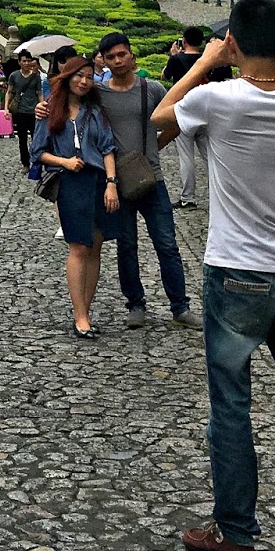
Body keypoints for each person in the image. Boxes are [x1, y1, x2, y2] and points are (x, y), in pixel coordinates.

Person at [150, 0, 275, 551]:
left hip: (235, 271)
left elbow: (156, 123)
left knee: (231, 405)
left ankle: (235, 532)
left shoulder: (215, 99)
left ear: (231, 42)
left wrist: (205, 63)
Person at [93, 32, 200, 330]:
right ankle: (135, 304)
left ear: (132, 55)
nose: (118, 61)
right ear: (104, 61)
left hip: (152, 179)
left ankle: (180, 306)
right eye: (111, 57)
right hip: (118, 183)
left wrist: (153, 148)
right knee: (126, 245)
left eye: (122, 54)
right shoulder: (99, 95)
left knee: (167, 244)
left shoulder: (150, 88)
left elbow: (176, 121)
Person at [31, 56, 119, 338]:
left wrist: (111, 183)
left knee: (95, 246)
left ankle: (85, 311)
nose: (83, 81)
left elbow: (107, 148)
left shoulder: (95, 111)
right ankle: (80, 316)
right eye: (79, 75)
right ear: (67, 77)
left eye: (89, 77)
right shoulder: (49, 111)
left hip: (98, 181)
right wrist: (64, 162)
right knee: (78, 246)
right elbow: (38, 152)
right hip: (71, 182)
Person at [161, 26, 224, 208]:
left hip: (183, 112)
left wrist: (173, 56)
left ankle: (188, 197)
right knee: (209, 156)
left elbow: (164, 76)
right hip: (205, 112)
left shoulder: (176, 59)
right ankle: (219, 193)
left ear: (184, 41)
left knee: (186, 156)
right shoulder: (207, 60)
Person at [4, 52, 43, 171]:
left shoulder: (36, 76)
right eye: (24, 61)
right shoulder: (14, 76)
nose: (26, 63)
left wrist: (42, 106)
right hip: (20, 111)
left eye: (28, 60)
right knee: (22, 139)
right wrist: (6, 108)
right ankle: (25, 163)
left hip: (33, 111)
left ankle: (36, 161)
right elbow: (9, 92)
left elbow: (39, 93)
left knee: (36, 138)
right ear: (19, 62)